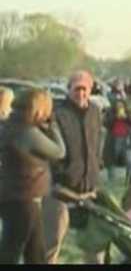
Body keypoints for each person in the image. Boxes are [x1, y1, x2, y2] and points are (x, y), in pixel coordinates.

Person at [44, 70, 106, 264]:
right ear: (68, 89)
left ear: (91, 89)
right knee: (51, 245)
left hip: (89, 189)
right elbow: (51, 149)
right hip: (61, 190)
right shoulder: (58, 113)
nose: (80, 94)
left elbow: (96, 142)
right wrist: (59, 174)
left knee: (95, 247)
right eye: (76, 89)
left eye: (84, 89)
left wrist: (97, 166)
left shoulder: (95, 110)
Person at [1, 88, 66, 263]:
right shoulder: (27, 132)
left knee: (35, 253)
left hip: (16, 197)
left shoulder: (9, 125)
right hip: (24, 199)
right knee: (12, 253)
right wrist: (53, 127)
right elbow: (59, 152)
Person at [102, 98, 131, 186]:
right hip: (113, 139)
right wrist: (115, 117)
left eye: (121, 105)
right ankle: (111, 179)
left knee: (129, 160)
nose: (119, 107)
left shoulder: (129, 113)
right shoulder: (111, 113)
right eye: (117, 106)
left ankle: (128, 179)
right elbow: (105, 123)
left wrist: (127, 117)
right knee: (111, 159)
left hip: (127, 139)